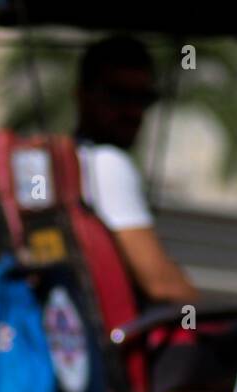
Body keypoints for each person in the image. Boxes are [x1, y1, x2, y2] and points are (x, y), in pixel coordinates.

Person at [74, 35, 197, 304]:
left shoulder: (74, 159)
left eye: (143, 98)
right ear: (83, 94)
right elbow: (162, 285)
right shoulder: (106, 161)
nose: (133, 111)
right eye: (119, 96)